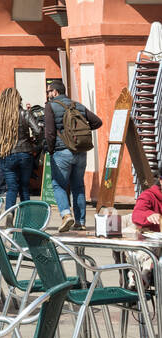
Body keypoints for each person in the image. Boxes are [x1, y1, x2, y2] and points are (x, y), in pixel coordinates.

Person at [44, 78, 103, 231]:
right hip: (80, 151)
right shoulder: (78, 105)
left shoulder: (50, 106)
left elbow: (49, 133)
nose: (49, 94)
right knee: (78, 186)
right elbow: (97, 122)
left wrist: (51, 150)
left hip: (61, 152)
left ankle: (66, 215)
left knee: (58, 185)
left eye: (50, 91)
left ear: (56, 92)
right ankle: (81, 222)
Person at [0, 87, 41, 209]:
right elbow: (38, 131)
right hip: (25, 153)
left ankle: (9, 215)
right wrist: (33, 142)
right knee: (24, 187)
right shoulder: (24, 113)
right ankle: (26, 218)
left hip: (7, 153)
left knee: (11, 188)